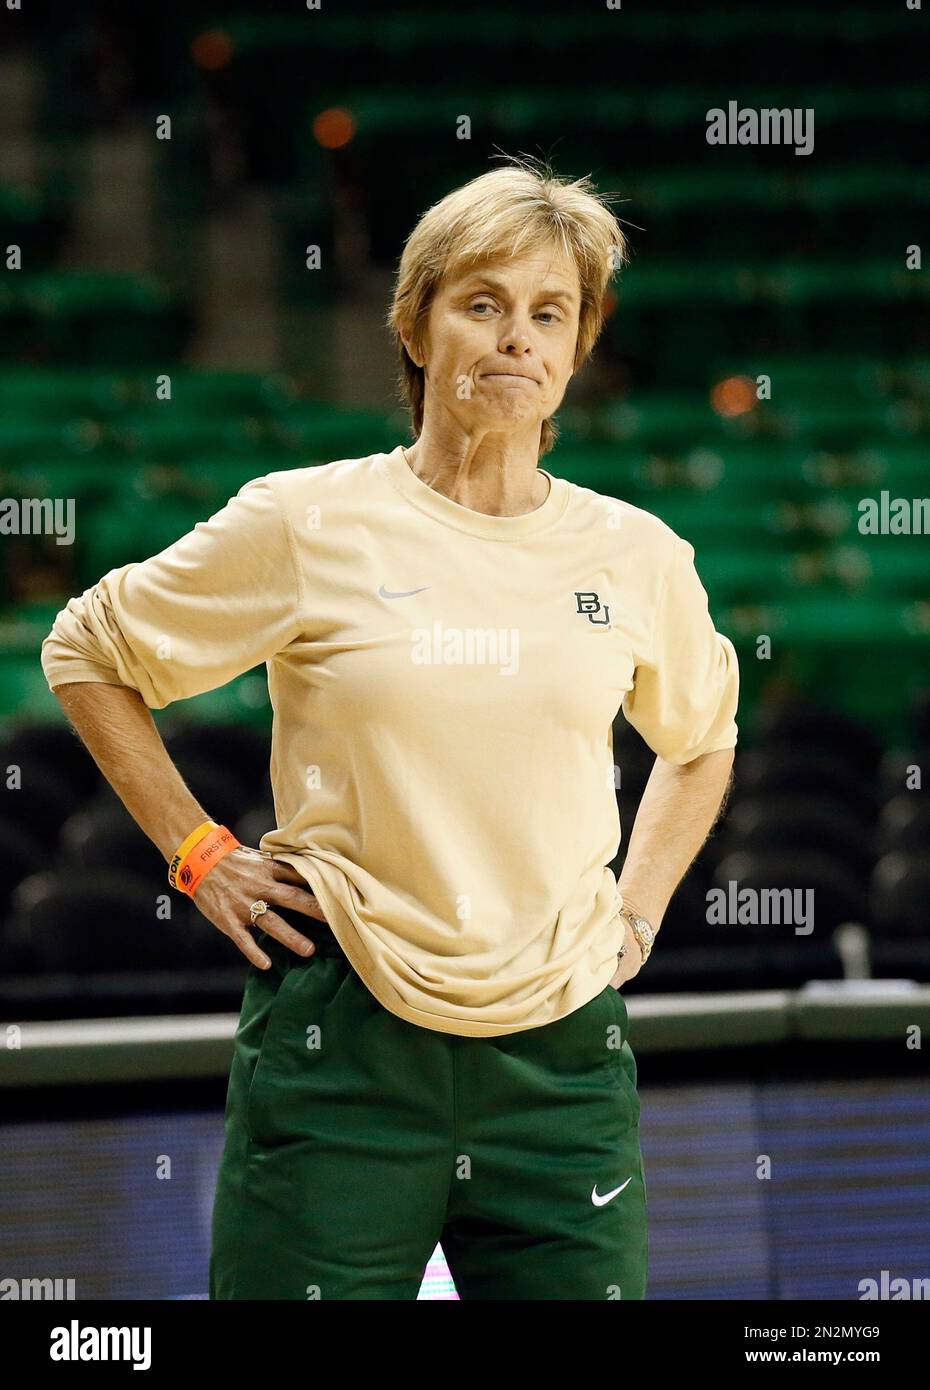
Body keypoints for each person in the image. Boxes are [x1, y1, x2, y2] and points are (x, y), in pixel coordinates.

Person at [41, 157, 738, 1300]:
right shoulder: (306, 520)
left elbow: (702, 740)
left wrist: (639, 909)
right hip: (341, 1039)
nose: (516, 338)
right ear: (416, 329)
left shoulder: (639, 555)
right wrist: (199, 851)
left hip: (561, 1060)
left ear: (575, 353)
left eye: (547, 314)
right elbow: (86, 651)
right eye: (483, 304)